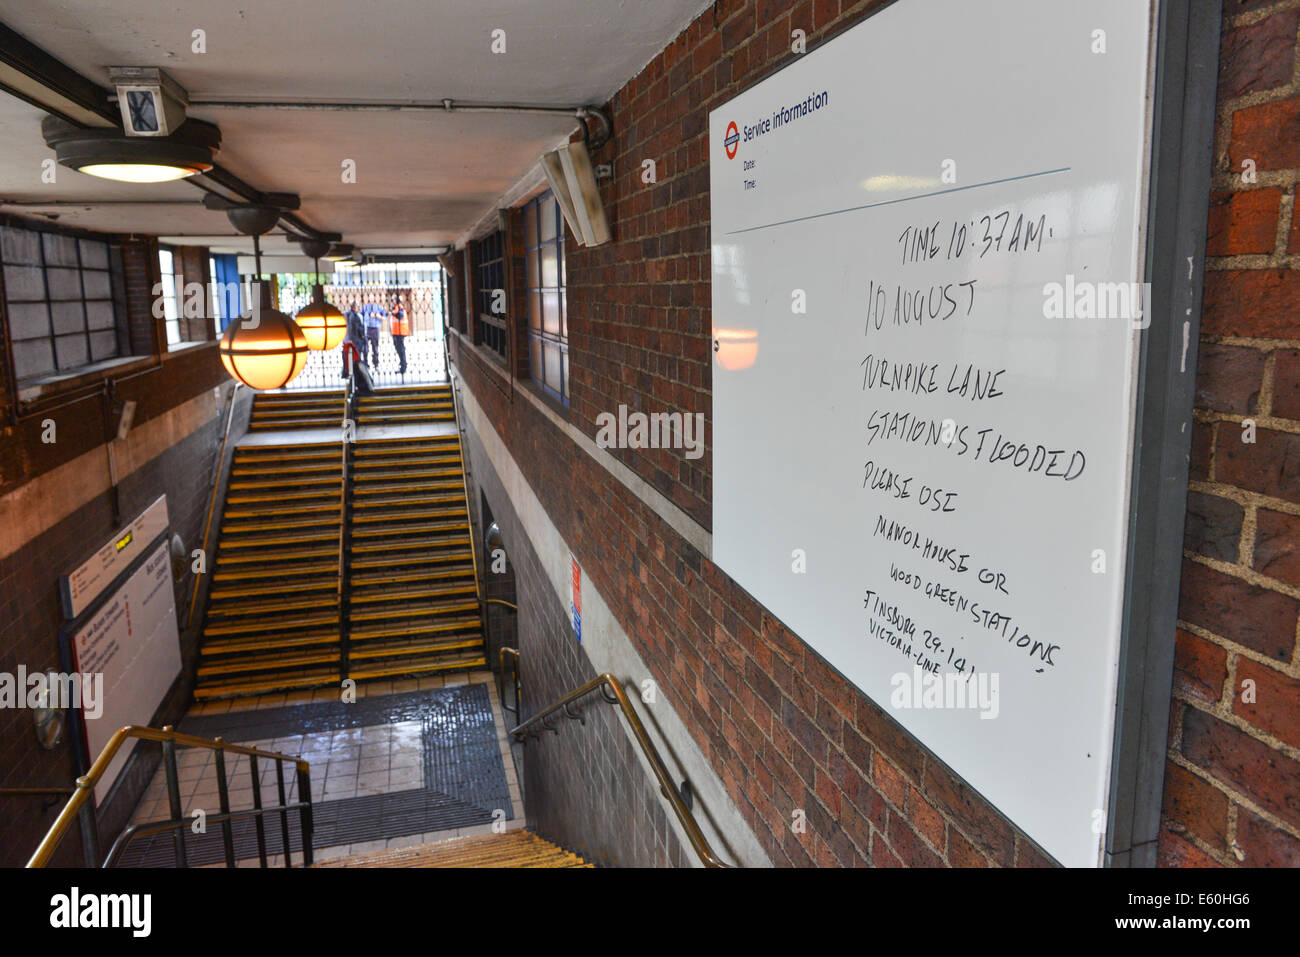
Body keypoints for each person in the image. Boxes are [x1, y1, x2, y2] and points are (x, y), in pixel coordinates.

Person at [342, 300, 365, 377]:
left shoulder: (344, 314)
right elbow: (361, 330)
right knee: (356, 358)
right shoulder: (358, 316)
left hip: (346, 340)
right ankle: (355, 373)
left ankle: (346, 371)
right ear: (356, 307)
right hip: (356, 341)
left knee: (347, 357)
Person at [361, 299, 387, 368]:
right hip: (367, 328)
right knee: (365, 347)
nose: (371, 300)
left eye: (373, 299)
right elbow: (361, 316)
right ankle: (366, 363)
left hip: (375, 328)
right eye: (370, 299)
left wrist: (377, 316)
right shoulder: (365, 307)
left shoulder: (379, 308)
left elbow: (385, 317)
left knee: (375, 347)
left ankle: (376, 363)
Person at [389, 294, 410, 375]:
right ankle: (402, 365)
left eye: (393, 300)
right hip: (396, 332)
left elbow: (400, 316)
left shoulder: (399, 307)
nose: (392, 301)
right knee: (399, 349)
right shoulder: (396, 308)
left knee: (401, 350)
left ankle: (403, 367)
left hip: (400, 332)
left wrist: (393, 313)